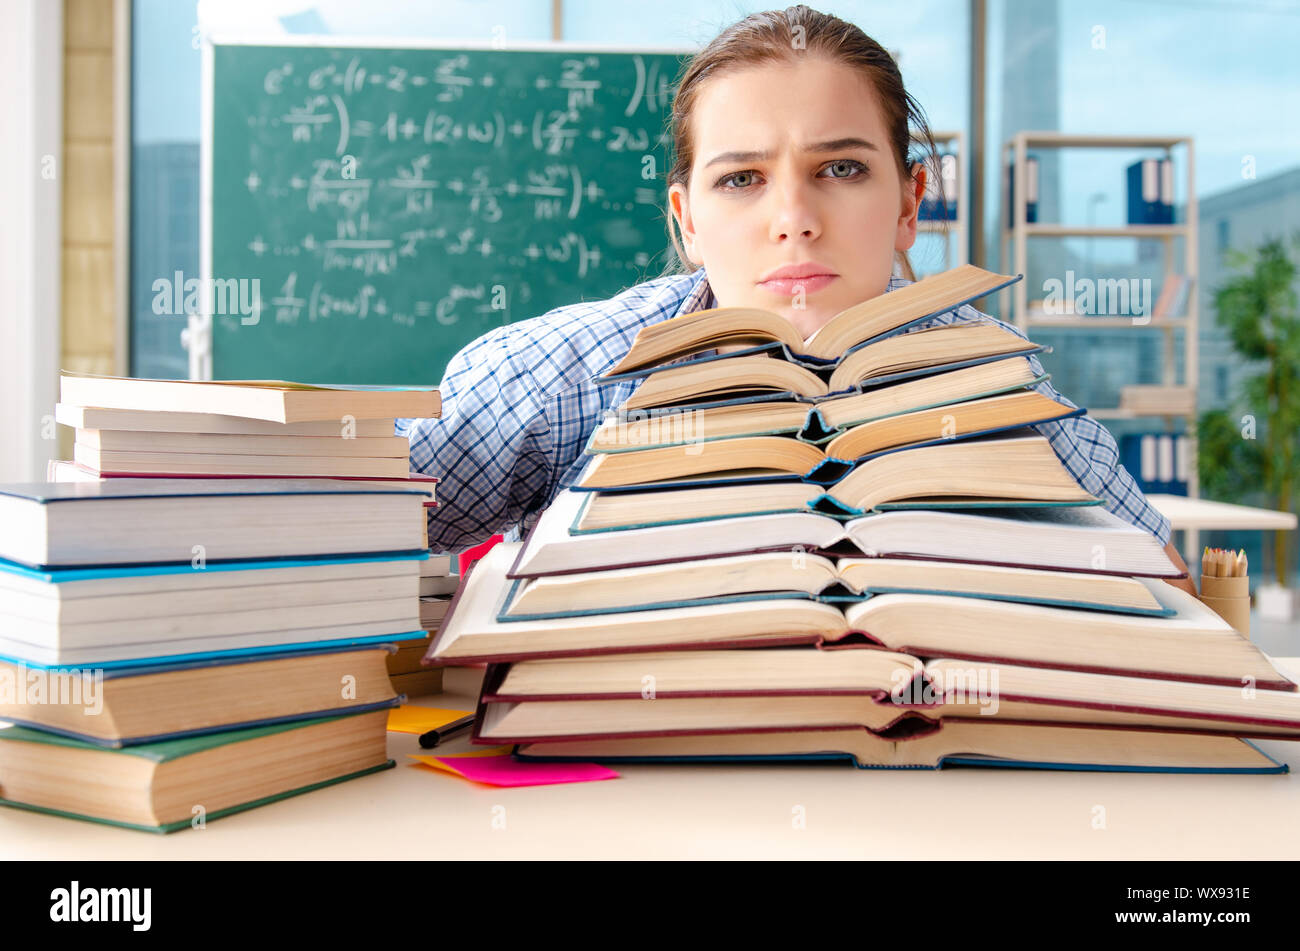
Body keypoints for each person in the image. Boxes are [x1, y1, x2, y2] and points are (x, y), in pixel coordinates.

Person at [398, 4, 1196, 596]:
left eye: (841, 168)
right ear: (689, 223)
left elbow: (1168, 595)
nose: (795, 222)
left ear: (911, 203)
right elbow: (331, 532)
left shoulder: (1004, 390)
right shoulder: (564, 373)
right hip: (625, 802)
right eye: (741, 179)